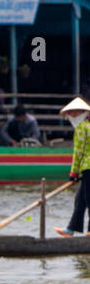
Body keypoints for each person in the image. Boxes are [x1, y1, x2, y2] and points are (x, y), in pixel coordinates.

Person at [56, 97, 90, 236]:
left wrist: (73, 174)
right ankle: (71, 228)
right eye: (71, 113)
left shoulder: (82, 128)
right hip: (87, 168)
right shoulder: (88, 125)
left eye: (75, 113)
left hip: (88, 167)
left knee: (89, 199)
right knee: (80, 199)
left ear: (82, 112)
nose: (72, 116)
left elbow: (78, 152)